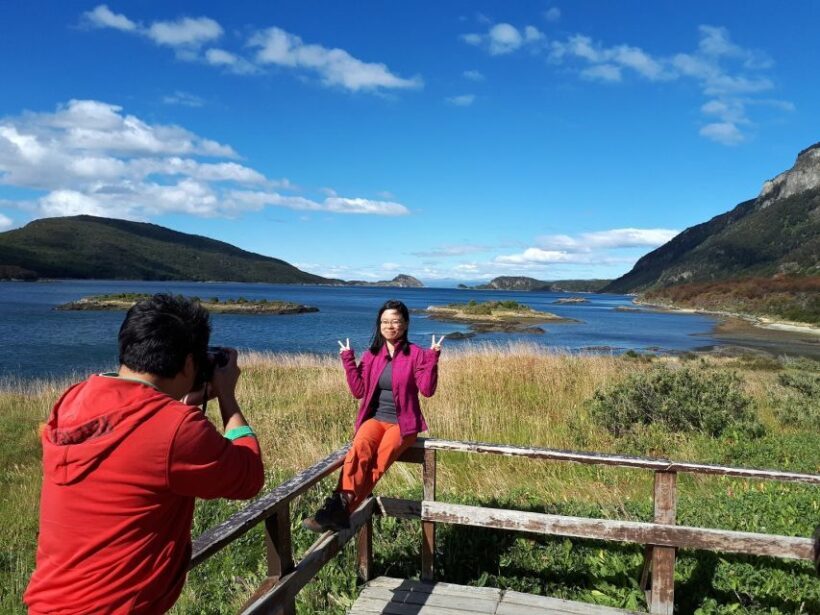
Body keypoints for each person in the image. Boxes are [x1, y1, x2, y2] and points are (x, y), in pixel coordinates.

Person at [24, 294, 264, 614]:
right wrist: (227, 399)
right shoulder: (176, 428)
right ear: (189, 364)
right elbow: (249, 476)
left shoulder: (73, 399)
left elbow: (138, 434)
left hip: (49, 603)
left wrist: (177, 403)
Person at [303, 299, 444, 533]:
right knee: (358, 452)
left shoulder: (417, 354)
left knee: (378, 462)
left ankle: (336, 512)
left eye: (395, 321)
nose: (390, 326)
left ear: (405, 324)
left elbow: (427, 390)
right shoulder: (372, 355)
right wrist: (348, 360)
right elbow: (358, 391)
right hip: (375, 419)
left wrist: (433, 359)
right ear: (379, 325)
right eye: (385, 321)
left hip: (402, 424)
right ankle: (339, 509)